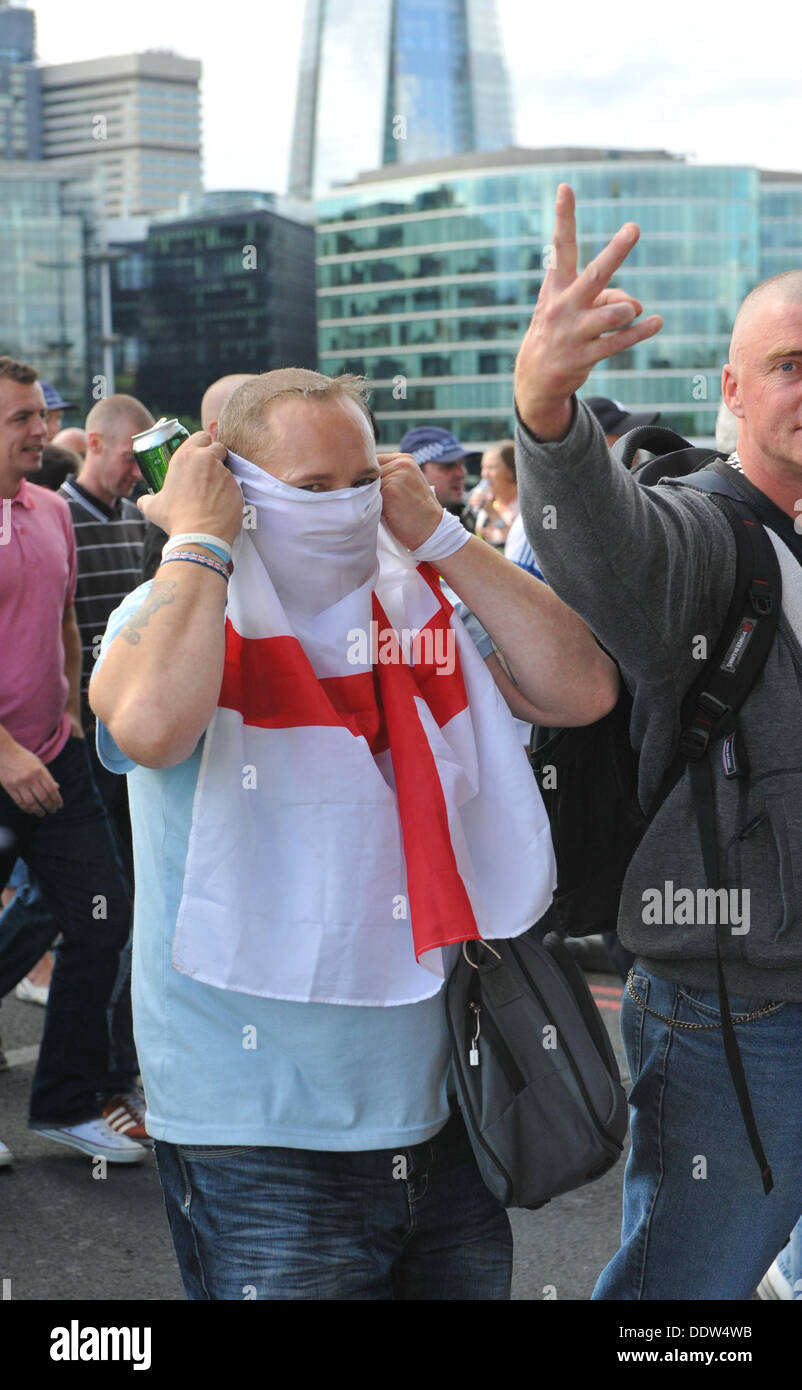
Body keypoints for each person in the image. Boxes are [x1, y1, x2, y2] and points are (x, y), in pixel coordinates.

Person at [89, 367, 618, 1300]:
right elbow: (150, 725)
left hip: (443, 1110)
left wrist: (444, 538)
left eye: (361, 482)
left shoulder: (422, 612)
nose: (345, 509)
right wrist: (202, 538)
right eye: (311, 489)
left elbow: (580, 688)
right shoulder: (174, 610)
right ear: (238, 486)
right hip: (256, 1133)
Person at [513, 183, 802, 1300]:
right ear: (729, 389)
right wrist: (548, 410)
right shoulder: (700, 533)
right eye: (788, 362)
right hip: (743, 1004)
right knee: (681, 1293)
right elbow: (602, 541)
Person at [0, 357, 145, 1166]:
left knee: (103, 915)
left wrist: (65, 712)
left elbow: (61, 624)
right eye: (20, 417)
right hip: (5, 761)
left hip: (57, 756)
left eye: (38, 413)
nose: (40, 429)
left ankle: (64, 1102)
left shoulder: (51, 511)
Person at [140, 373, 257, 583]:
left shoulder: (268, 496)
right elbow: (164, 599)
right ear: (219, 430)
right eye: (261, 421)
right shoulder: (177, 508)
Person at [398, 426, 476, 532]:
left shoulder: (473, 518)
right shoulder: (396, 529)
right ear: (416, 472)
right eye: (448, 465)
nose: (461, 473)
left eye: (462, 463)